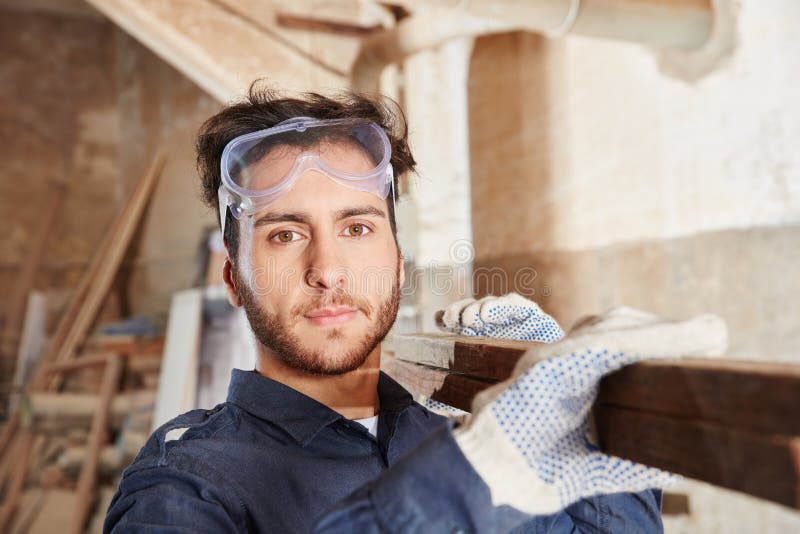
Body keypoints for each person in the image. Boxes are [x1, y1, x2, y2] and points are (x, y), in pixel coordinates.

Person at [104, 84, 725, 533]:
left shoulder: (458, 434)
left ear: (399, 262)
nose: (327, 271)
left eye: (357, 228)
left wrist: (583, 429)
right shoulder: (187, 483)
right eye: (285, 234)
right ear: (234, 278)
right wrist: (469, 481)